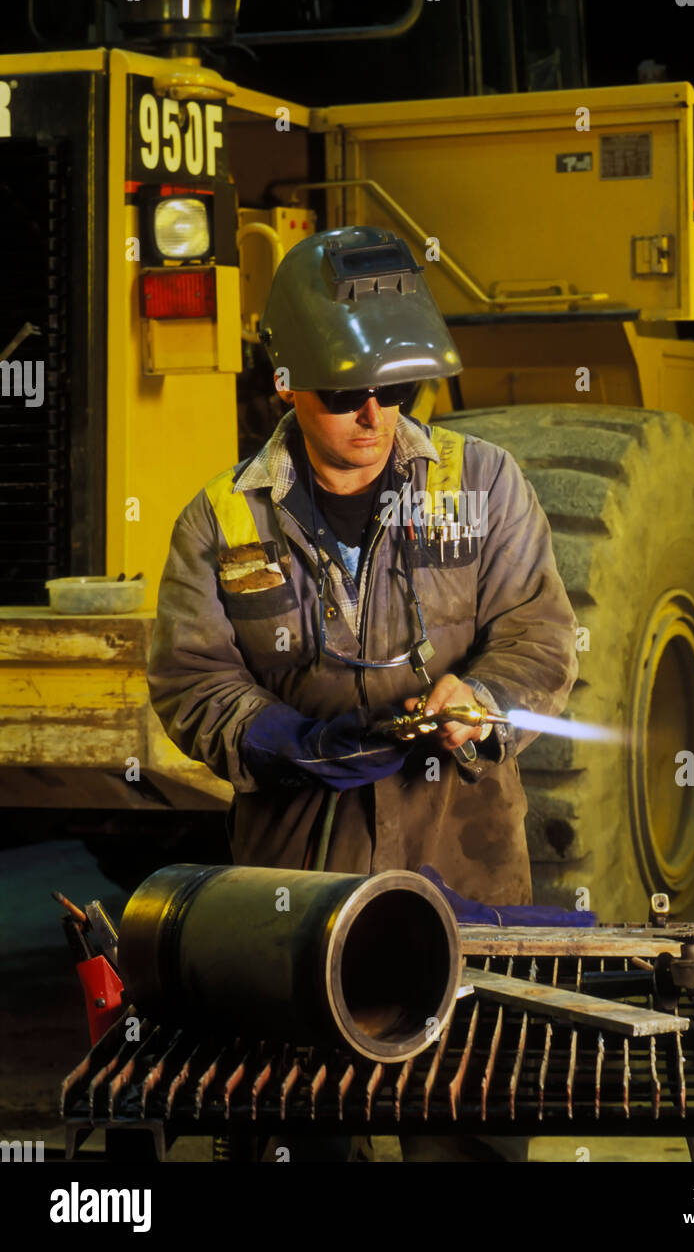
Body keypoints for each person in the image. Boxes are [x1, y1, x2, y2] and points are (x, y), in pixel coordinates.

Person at [147, 224, 578, 1161]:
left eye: (396, 390)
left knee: (467, 1129)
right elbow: (190, 677)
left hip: (462, 872)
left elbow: (541, 631)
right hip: (295, 894)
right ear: (285, 382)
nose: (374, 416)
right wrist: (280, 739)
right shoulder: (222, 521)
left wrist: (483, 693)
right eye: (346, 394)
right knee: (301, 1130)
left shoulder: (484, 483)